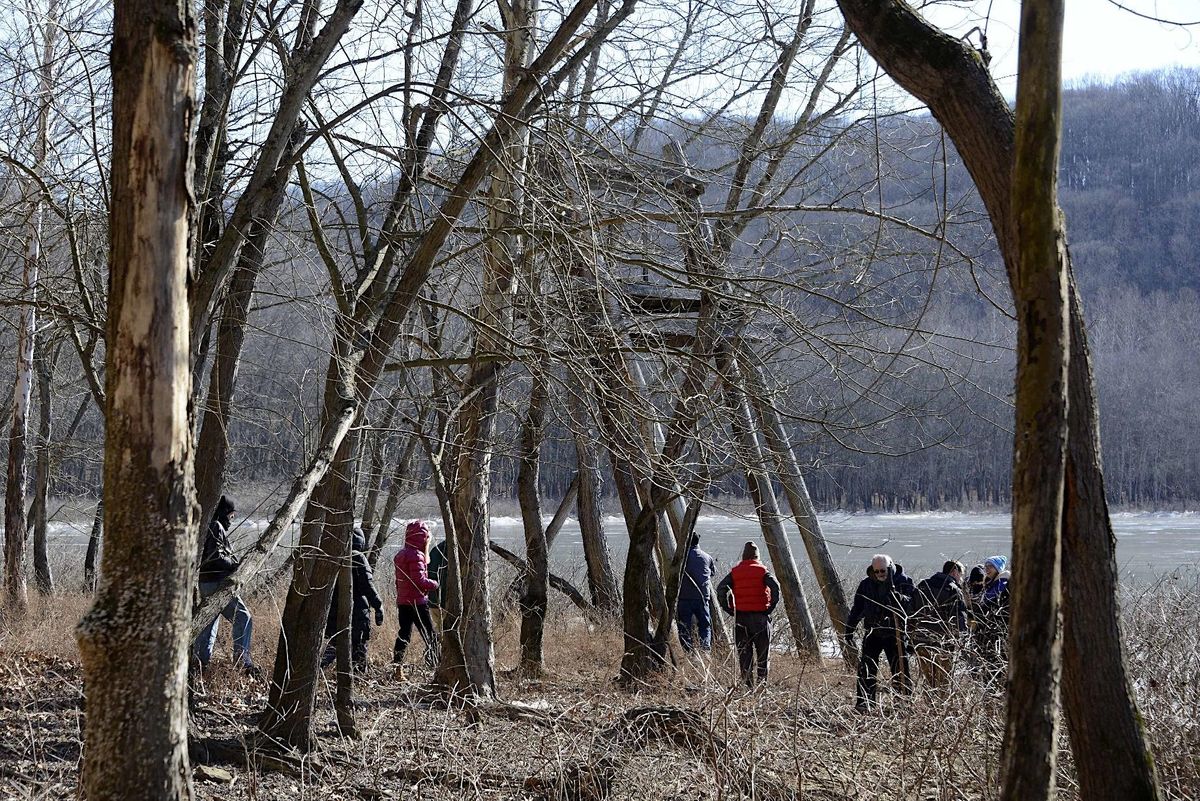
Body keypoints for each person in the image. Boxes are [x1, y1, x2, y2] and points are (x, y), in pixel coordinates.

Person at [194, 495, 260, 676]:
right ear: (224, 513)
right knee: (243, 616)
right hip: (216, 583)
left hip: (206, 583)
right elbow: (215, 557)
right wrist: (234, 565)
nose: (231, 520)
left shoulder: (212, 526)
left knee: (209, 623)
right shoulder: (216, 526)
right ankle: (243, 662)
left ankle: (199, 664)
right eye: (231, 516)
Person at [844, 554, 912, 712]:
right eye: (877, 571)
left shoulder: (903, 581)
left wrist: (897, 597)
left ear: (890, 567)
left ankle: (903, 704)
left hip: (895, 633)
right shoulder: (866, 584)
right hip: (873, 631)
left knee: (900, 669)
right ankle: (864, 704)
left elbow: (911, 605)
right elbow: (858, 608)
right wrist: (850, 628)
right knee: (866, 669)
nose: (880, 574)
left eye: (883, 570)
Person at [716, 542, 781, 687]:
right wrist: (770, 608)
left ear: (743, 556)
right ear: (757, 556)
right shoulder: (763, 571)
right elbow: (775, 587)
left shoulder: (735, 572)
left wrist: (728, 609)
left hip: (740, 619)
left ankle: (748, 687)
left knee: (744, 657)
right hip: (760, 619)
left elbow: (721, 589)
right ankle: (762, 687)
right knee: (763, 656)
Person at [322, 527, 385, 672]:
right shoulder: (358, 557)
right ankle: (357, 679)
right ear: (361, 542)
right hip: (357, 612)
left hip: (334, 611)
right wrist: (378, 605)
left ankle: (316, 671)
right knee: (358, 649)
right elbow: (367, 585)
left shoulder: (333, 557)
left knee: (334, 645)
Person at [393, 519, 439, 680]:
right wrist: (435, 584)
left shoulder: (401, 555)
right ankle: (436, 667)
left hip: (403, 602)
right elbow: (419, 581)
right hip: (417, 602)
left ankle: (397, 668)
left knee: (404, 634)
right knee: (430, 636)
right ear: (423, 538)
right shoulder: (417, 556)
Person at [910, 560, 968, 688]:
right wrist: (962, 639)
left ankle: (927, 700)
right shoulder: (953, 589)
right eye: (961, 574)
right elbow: (959, 618)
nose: (961, 578)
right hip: (943, 643)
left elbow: (911, 612)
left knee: (928, 679)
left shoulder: (923, 585)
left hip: (921, 639)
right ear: (955, 572)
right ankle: (940, 701)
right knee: (943, 681)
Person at [677, 533, 717, 652]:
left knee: (684, 626)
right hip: (702, 597)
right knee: (705, 625)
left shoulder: (682, 557)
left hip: (684, 597)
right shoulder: (707, 557)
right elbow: (712, 573)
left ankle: (687, 651)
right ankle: (705, 650)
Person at [975, 555, 1011, 664]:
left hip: (997, 627)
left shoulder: (1001, 583)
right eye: (986, 566)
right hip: (992, 627)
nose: (987, 569)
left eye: (990, 566)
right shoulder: (993, 583)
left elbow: (990, 604)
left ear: (998, 568)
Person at [426, 538, 449, 633]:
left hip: (433, 599)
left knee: (439, 627)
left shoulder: (436, 550)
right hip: (447, 601)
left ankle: (435, 641)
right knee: (446, 629)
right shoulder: (455, 552)